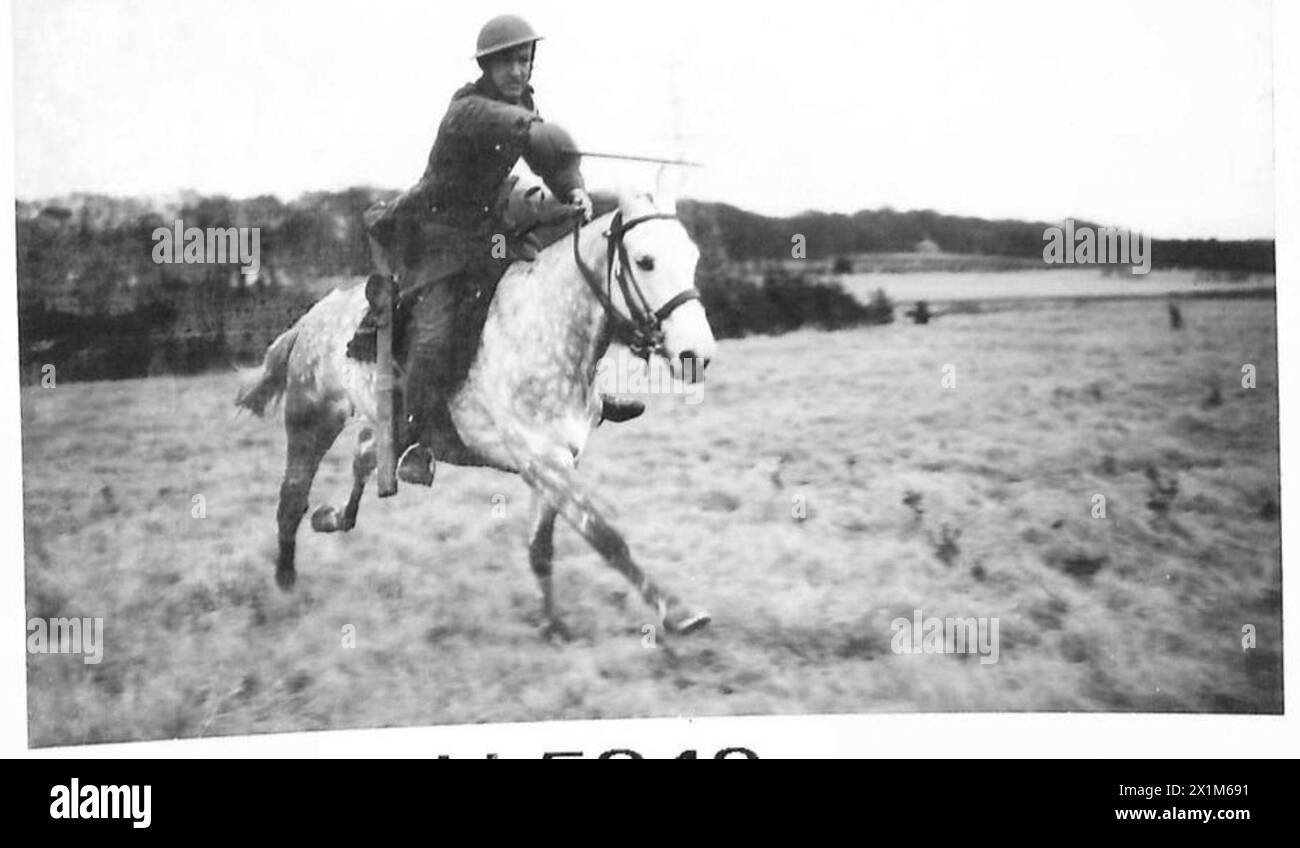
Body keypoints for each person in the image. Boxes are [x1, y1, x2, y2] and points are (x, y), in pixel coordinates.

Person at [351, 14, 643, 488]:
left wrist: (573, 191)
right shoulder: (467, 110)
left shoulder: (523, 103)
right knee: (438, 335)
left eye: (523, 60)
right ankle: (413, 440)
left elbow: (549, 153)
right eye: (506, 62)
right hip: (436, 234)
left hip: (486, 229)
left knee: (559, 290)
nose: (517, 71)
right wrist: (558, 150)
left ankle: (589, 392)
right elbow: (538, 136)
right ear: (486, 66)